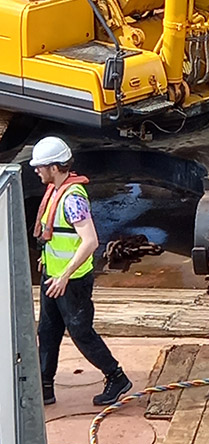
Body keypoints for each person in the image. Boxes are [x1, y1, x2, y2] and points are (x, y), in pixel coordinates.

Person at [31, 135, 132, 407]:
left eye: (40, 166)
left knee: (80, 332)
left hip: (71, 282)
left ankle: (116, 377)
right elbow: (57, 235)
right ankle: (44, 387)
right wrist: (46, 260)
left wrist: (64, 275)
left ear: (54, 167)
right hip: (53, 277)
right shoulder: (55, 191)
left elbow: (90, 241)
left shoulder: (72, 199)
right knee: (47, 331)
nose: (36, 170)